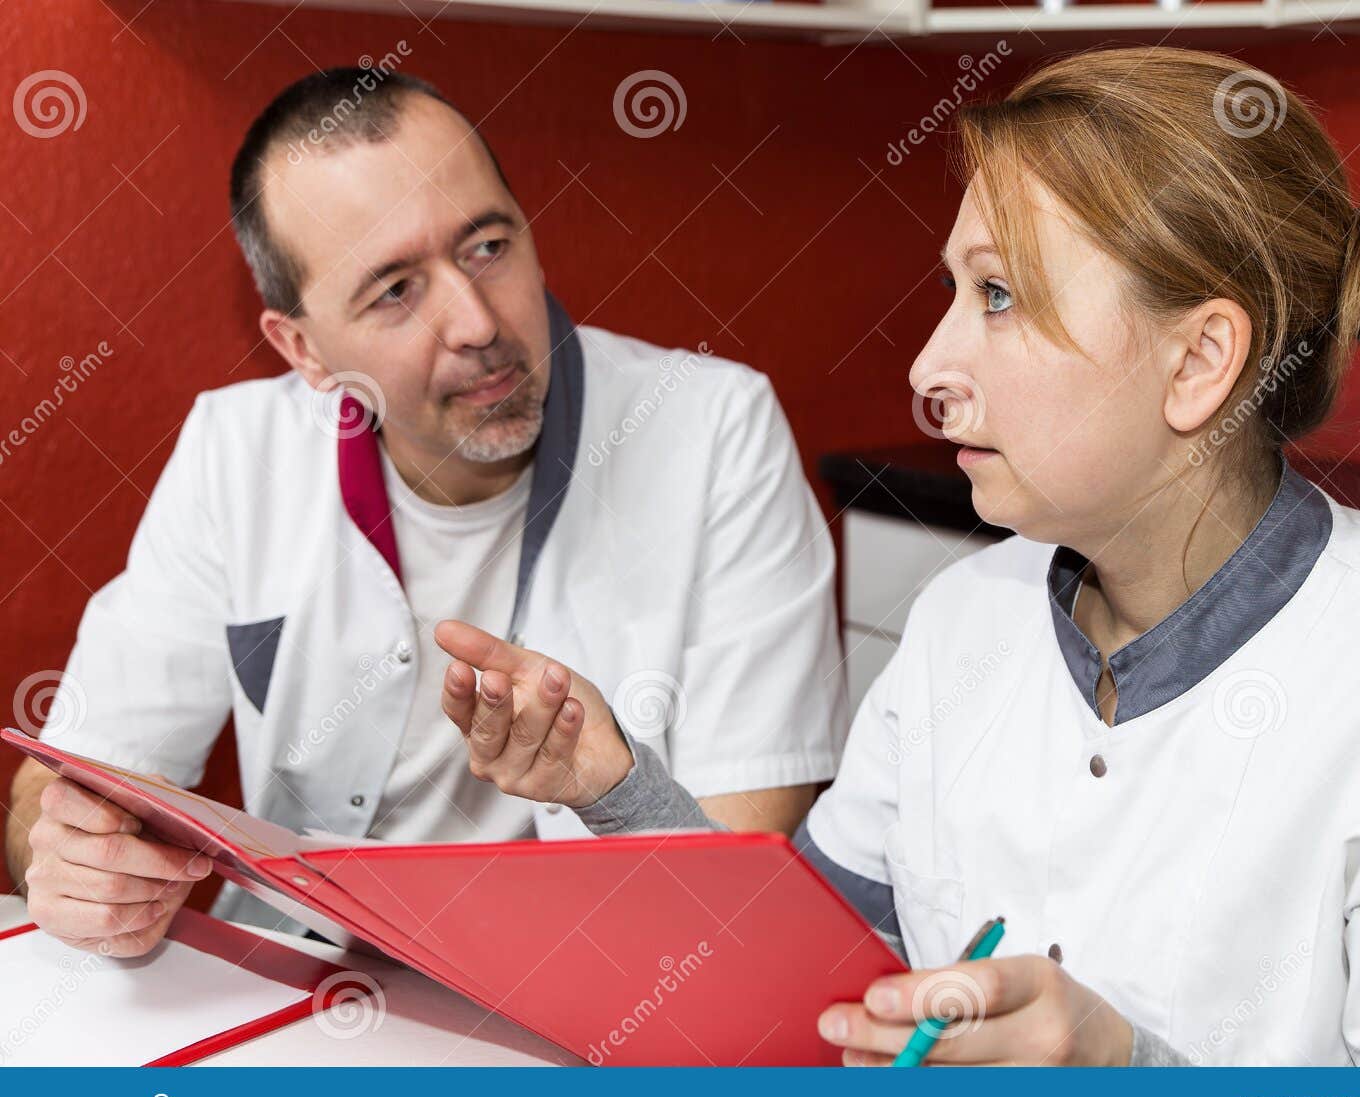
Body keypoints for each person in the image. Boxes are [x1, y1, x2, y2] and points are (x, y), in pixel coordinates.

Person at [440, 47, 1360, 1065]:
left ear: (1200, 360)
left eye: (997, 295)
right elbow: (812, 985)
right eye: (956, 290)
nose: (927, 369)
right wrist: (616, 787)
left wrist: (1127, 1083)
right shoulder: (963, 620)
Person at [7, 69, 846, 954]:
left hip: (600, 983)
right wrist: (69, 860)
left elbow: (731, 884)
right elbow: (67, 787)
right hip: (303, 973)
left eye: (487, 245)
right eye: (395, 290)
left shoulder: (715, 430)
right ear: (303, 349)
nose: (476, 321)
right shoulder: (236, 448)